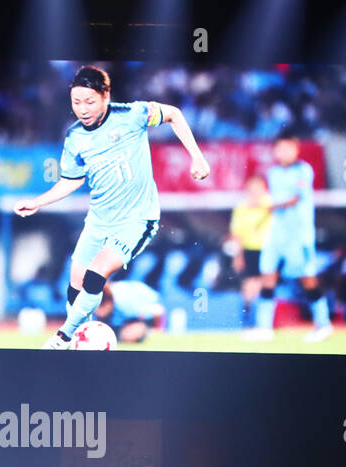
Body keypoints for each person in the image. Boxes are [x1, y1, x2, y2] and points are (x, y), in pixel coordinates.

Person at [15, 65, 209, 349]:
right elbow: (71, 180)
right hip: (98, 220)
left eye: (89, 101)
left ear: (106, 96)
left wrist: (197, 157)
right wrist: (38, 202)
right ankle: (83, 344)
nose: (82, 108)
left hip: (136, 219)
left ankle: (64, 337)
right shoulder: (74, 137)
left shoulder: (132, 115)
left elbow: (174, 114)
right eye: (76, 102)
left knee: (96, 275)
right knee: (76, 282)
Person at [247, 131, 333, 344]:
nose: (284, 152)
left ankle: (323, 324)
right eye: (280, 148)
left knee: (307, 278)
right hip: (277, 233)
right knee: (268, 275)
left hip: (298, 234)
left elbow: (295, 198)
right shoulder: (274, 172)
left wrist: (268, 205)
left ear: (296, 150)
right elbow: (274, 202)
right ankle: (264, 328)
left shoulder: (304, 170)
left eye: (288, 148)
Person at [226, 173, 273, 330]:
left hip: (270, 249)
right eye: (251, 188)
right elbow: (236, 233)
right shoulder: (242, 206)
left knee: (266, 282)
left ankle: (264, 324)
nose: (254, 191)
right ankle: (248, 320)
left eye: (257, 188)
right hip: (250, 250)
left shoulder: (271, 204)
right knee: (250, 285)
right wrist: (238, 256)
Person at [94, 280, 166, 344]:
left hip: (143, 317)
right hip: (120, 323)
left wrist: (156, 330)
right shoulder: (96, 301)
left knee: (131, 333)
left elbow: (158, 310)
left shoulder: (125, 304)